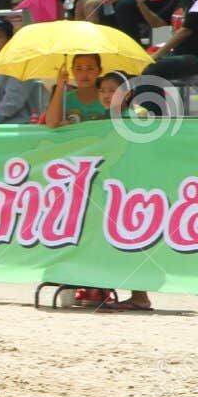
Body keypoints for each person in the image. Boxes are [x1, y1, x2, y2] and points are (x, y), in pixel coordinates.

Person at [42, 55, 154, 312]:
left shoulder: (135, 114)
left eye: (113, 91)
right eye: (104, 91)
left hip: (128, 184)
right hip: (96, 182)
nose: (106, 95)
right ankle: (103, 288)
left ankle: (139, 294)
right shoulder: (105, 114)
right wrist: (60, 85)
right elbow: (52, 124)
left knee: (130, 236)